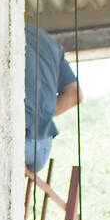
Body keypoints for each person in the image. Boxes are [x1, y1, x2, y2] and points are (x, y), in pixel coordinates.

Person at [25, 24, 80, 173]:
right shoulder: (49, 42)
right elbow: (75, 94)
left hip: (18, 141)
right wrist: (41, 113)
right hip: (42, 146)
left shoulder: (0, 31)